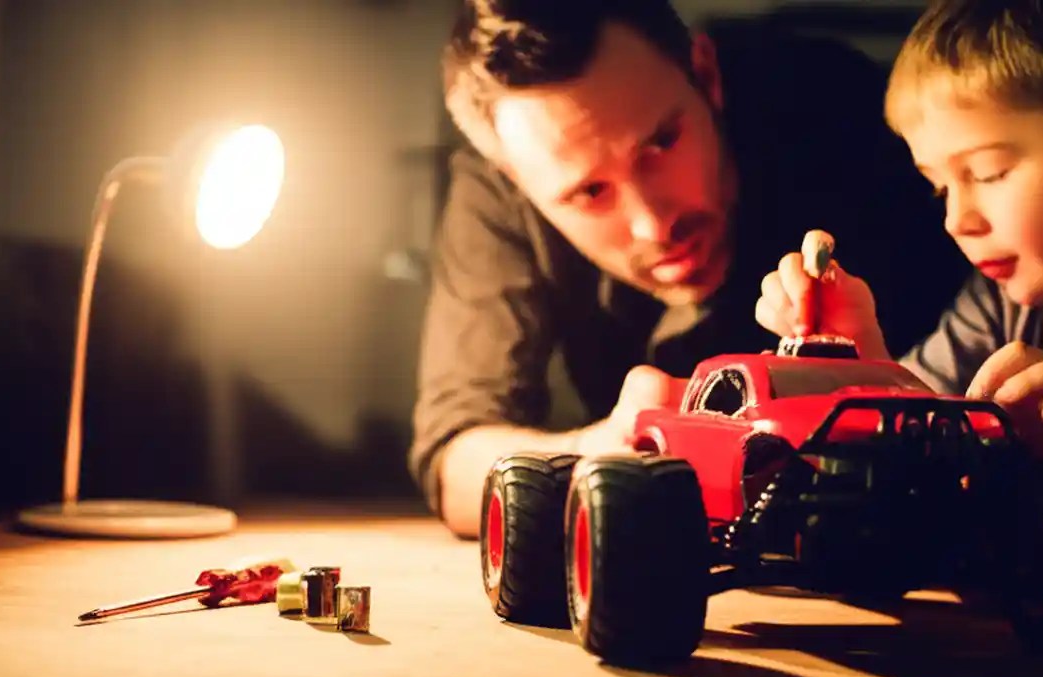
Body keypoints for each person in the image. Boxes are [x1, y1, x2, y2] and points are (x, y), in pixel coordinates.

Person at [411, 0, 968, 537]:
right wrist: (600, 452)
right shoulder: (494, 193)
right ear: (517, 184)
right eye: (589, 192)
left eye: (660, 143)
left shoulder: (838, 112)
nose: (653, 224)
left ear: (706, 75)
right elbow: (454, 456)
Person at [756, 0, 1043, 581]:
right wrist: (861, 353)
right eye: (940, 189)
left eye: (986, 173)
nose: (957, 219)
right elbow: (918, 440)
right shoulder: (1004, 295)